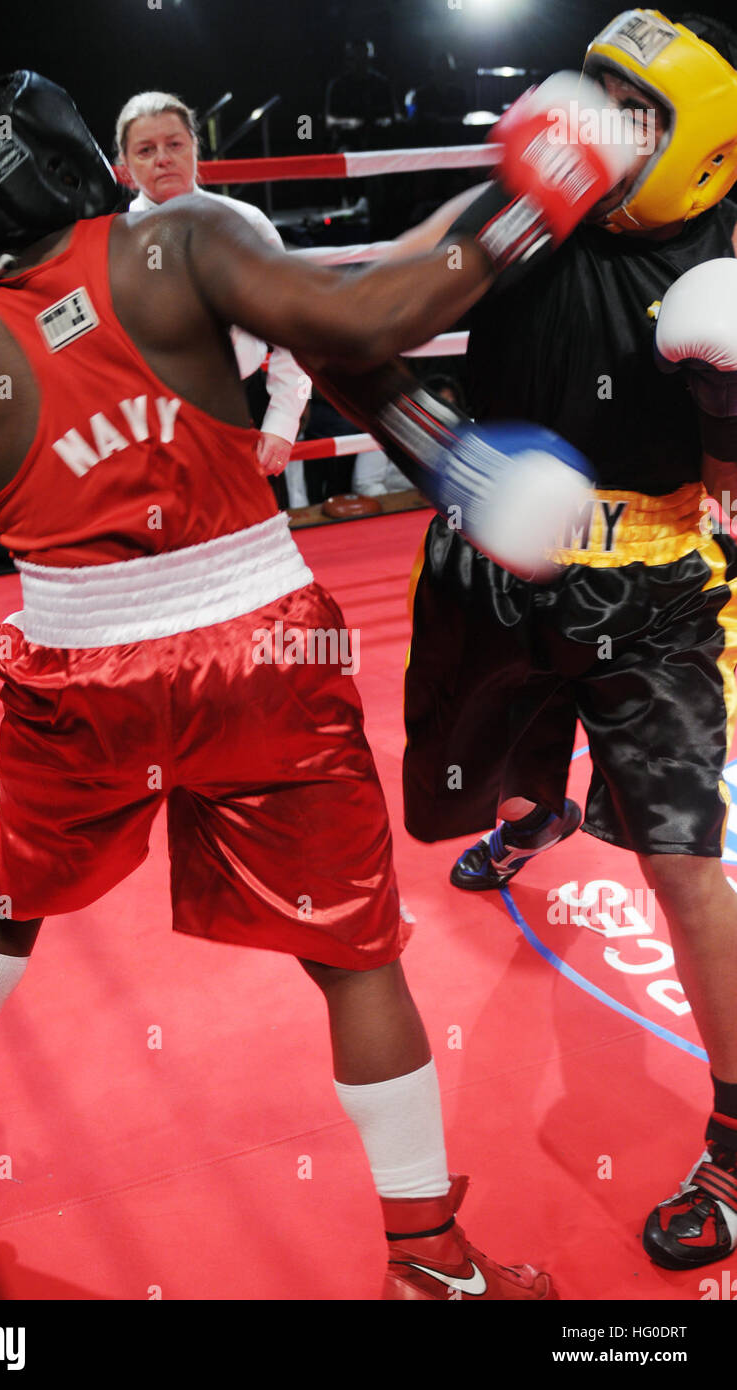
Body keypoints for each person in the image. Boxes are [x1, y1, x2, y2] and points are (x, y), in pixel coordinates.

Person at [0, 68, 623, 1299]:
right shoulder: (176, 238)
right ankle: (427, 1263)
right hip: (259, 648)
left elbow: (11, 509)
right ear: (71, 157)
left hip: (77, 666)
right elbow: (376, 315)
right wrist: (537, 193)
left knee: (13, 891)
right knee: (351, 954)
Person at [384, 9, 737, 1273]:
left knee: (680, 863)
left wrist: (726, 422)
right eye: (584, 91)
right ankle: (536, 813)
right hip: (493, 557)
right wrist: (441, 457)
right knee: (488, 763)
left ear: (693, 143)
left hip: (653, 587)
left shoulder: (723, 264)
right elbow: (357, 327)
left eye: (627, 113)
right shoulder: (515, 210)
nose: (587, 124)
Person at [114, 90, 310, 508]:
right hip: (152, 420)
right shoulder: (111, 243)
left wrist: (282, 420)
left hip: (244, 408)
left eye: (174, 145)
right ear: (125, 167)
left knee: (261, 554)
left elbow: (294, 326)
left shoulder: (245, 222)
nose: (162, 158)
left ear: (195, 149)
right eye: (146, 150)